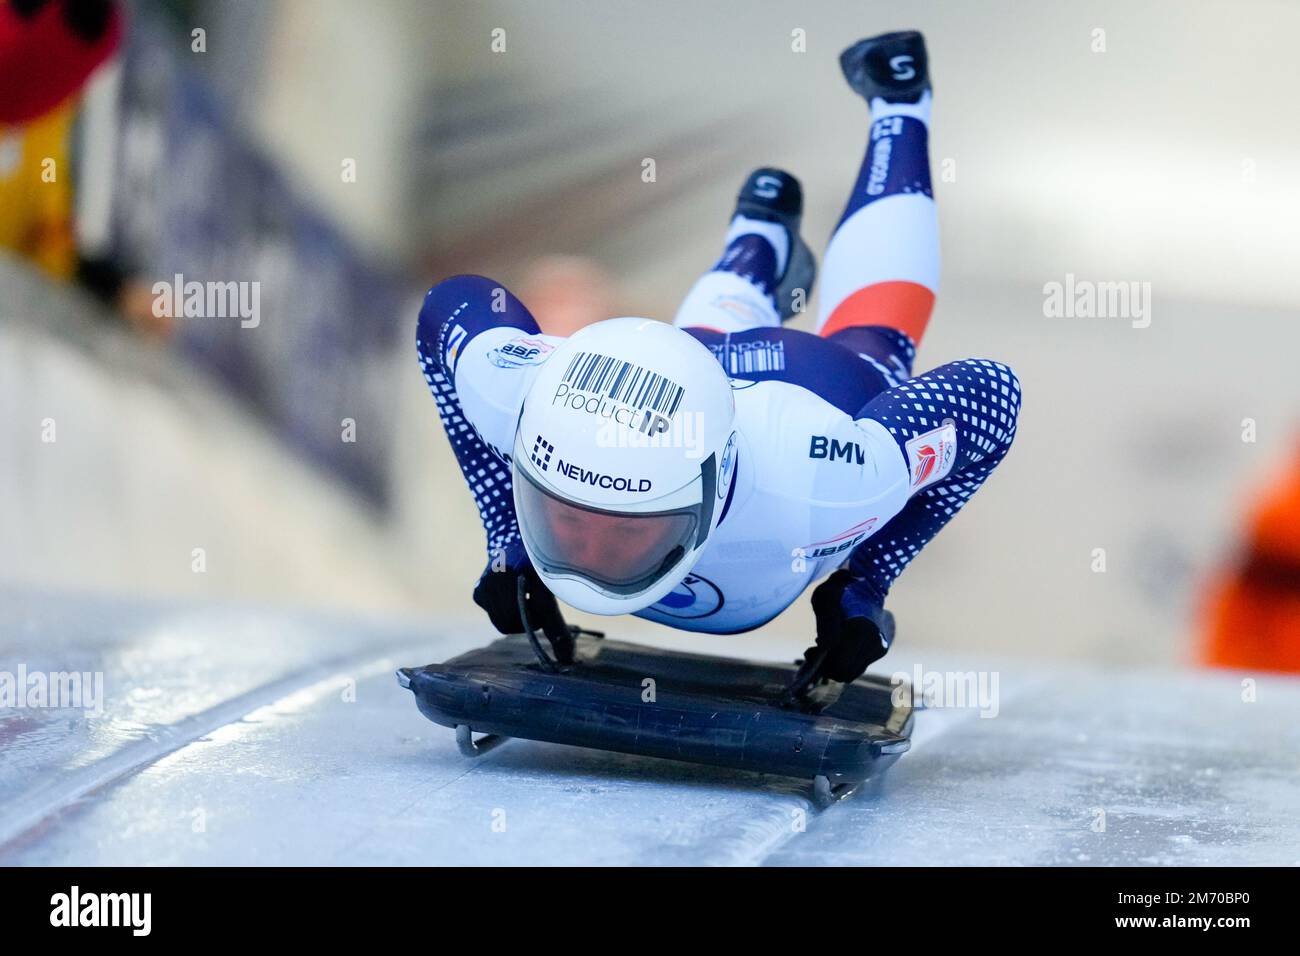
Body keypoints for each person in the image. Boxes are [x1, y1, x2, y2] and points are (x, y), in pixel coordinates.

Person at [416, 31, 1022, 687]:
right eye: (562, 521)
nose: (587, 562)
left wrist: (869, 574)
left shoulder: (830, 476)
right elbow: (447, 310)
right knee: (703, 344)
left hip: (811, 392)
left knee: (873, 345)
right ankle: (761, 231)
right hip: (697, 365)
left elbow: (994, 393)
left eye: (625, 538)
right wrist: (508, 538)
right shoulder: (519, 397)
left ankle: (892, 111)